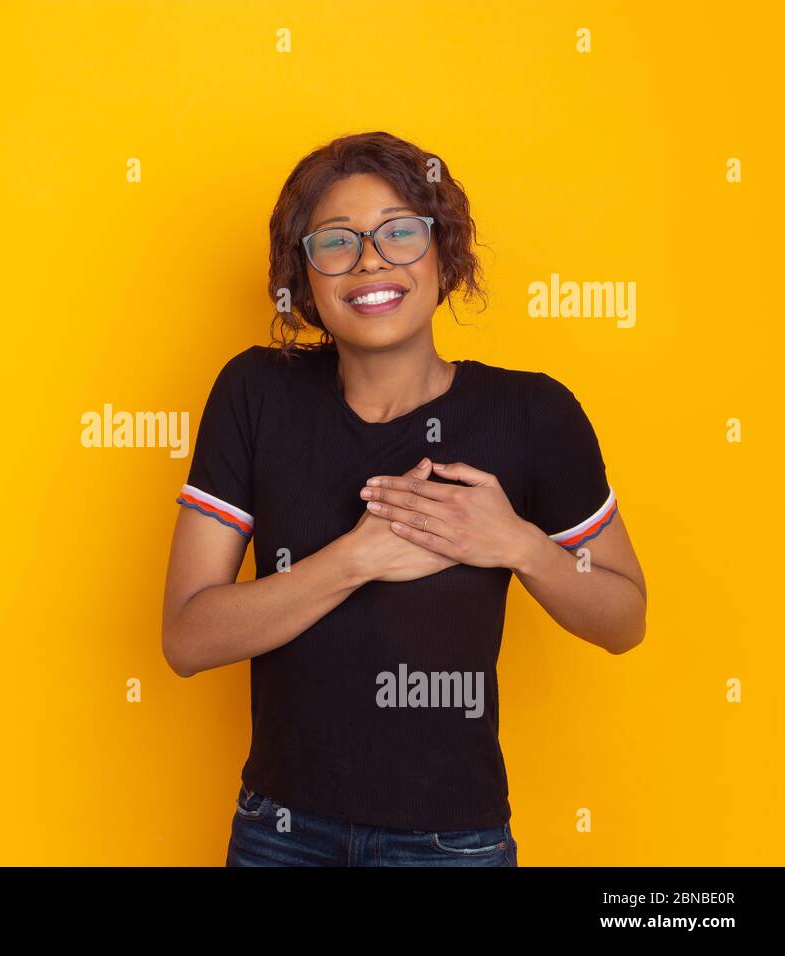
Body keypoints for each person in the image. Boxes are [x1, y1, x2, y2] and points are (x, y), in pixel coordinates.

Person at [161, 131, 647, 867]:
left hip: (453, 843)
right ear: (305, 278)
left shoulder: (531, 413)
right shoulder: (257, 393)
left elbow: (625, 619)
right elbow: (188, 640)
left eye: (399, 233)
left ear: (444, 255)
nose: (369, 263)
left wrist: (515, 544)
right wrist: (355, 559)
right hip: (279, 832)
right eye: (336, 243)